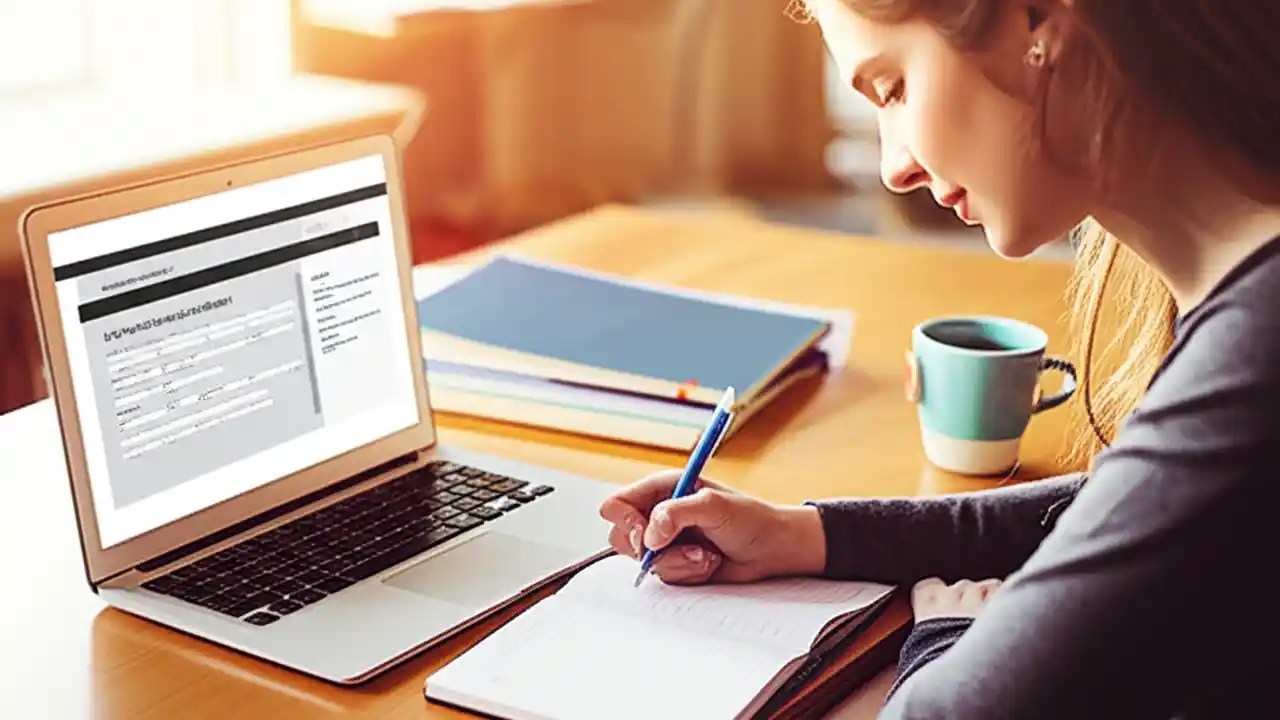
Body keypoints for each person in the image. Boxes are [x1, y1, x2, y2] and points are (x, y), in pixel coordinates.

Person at [598, 1, 1280, 717]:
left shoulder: (1257, 362)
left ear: (1037, 22)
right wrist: (808, 535)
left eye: (891, 88)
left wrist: (950, 630)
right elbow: (1125, 505)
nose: (894, 169)